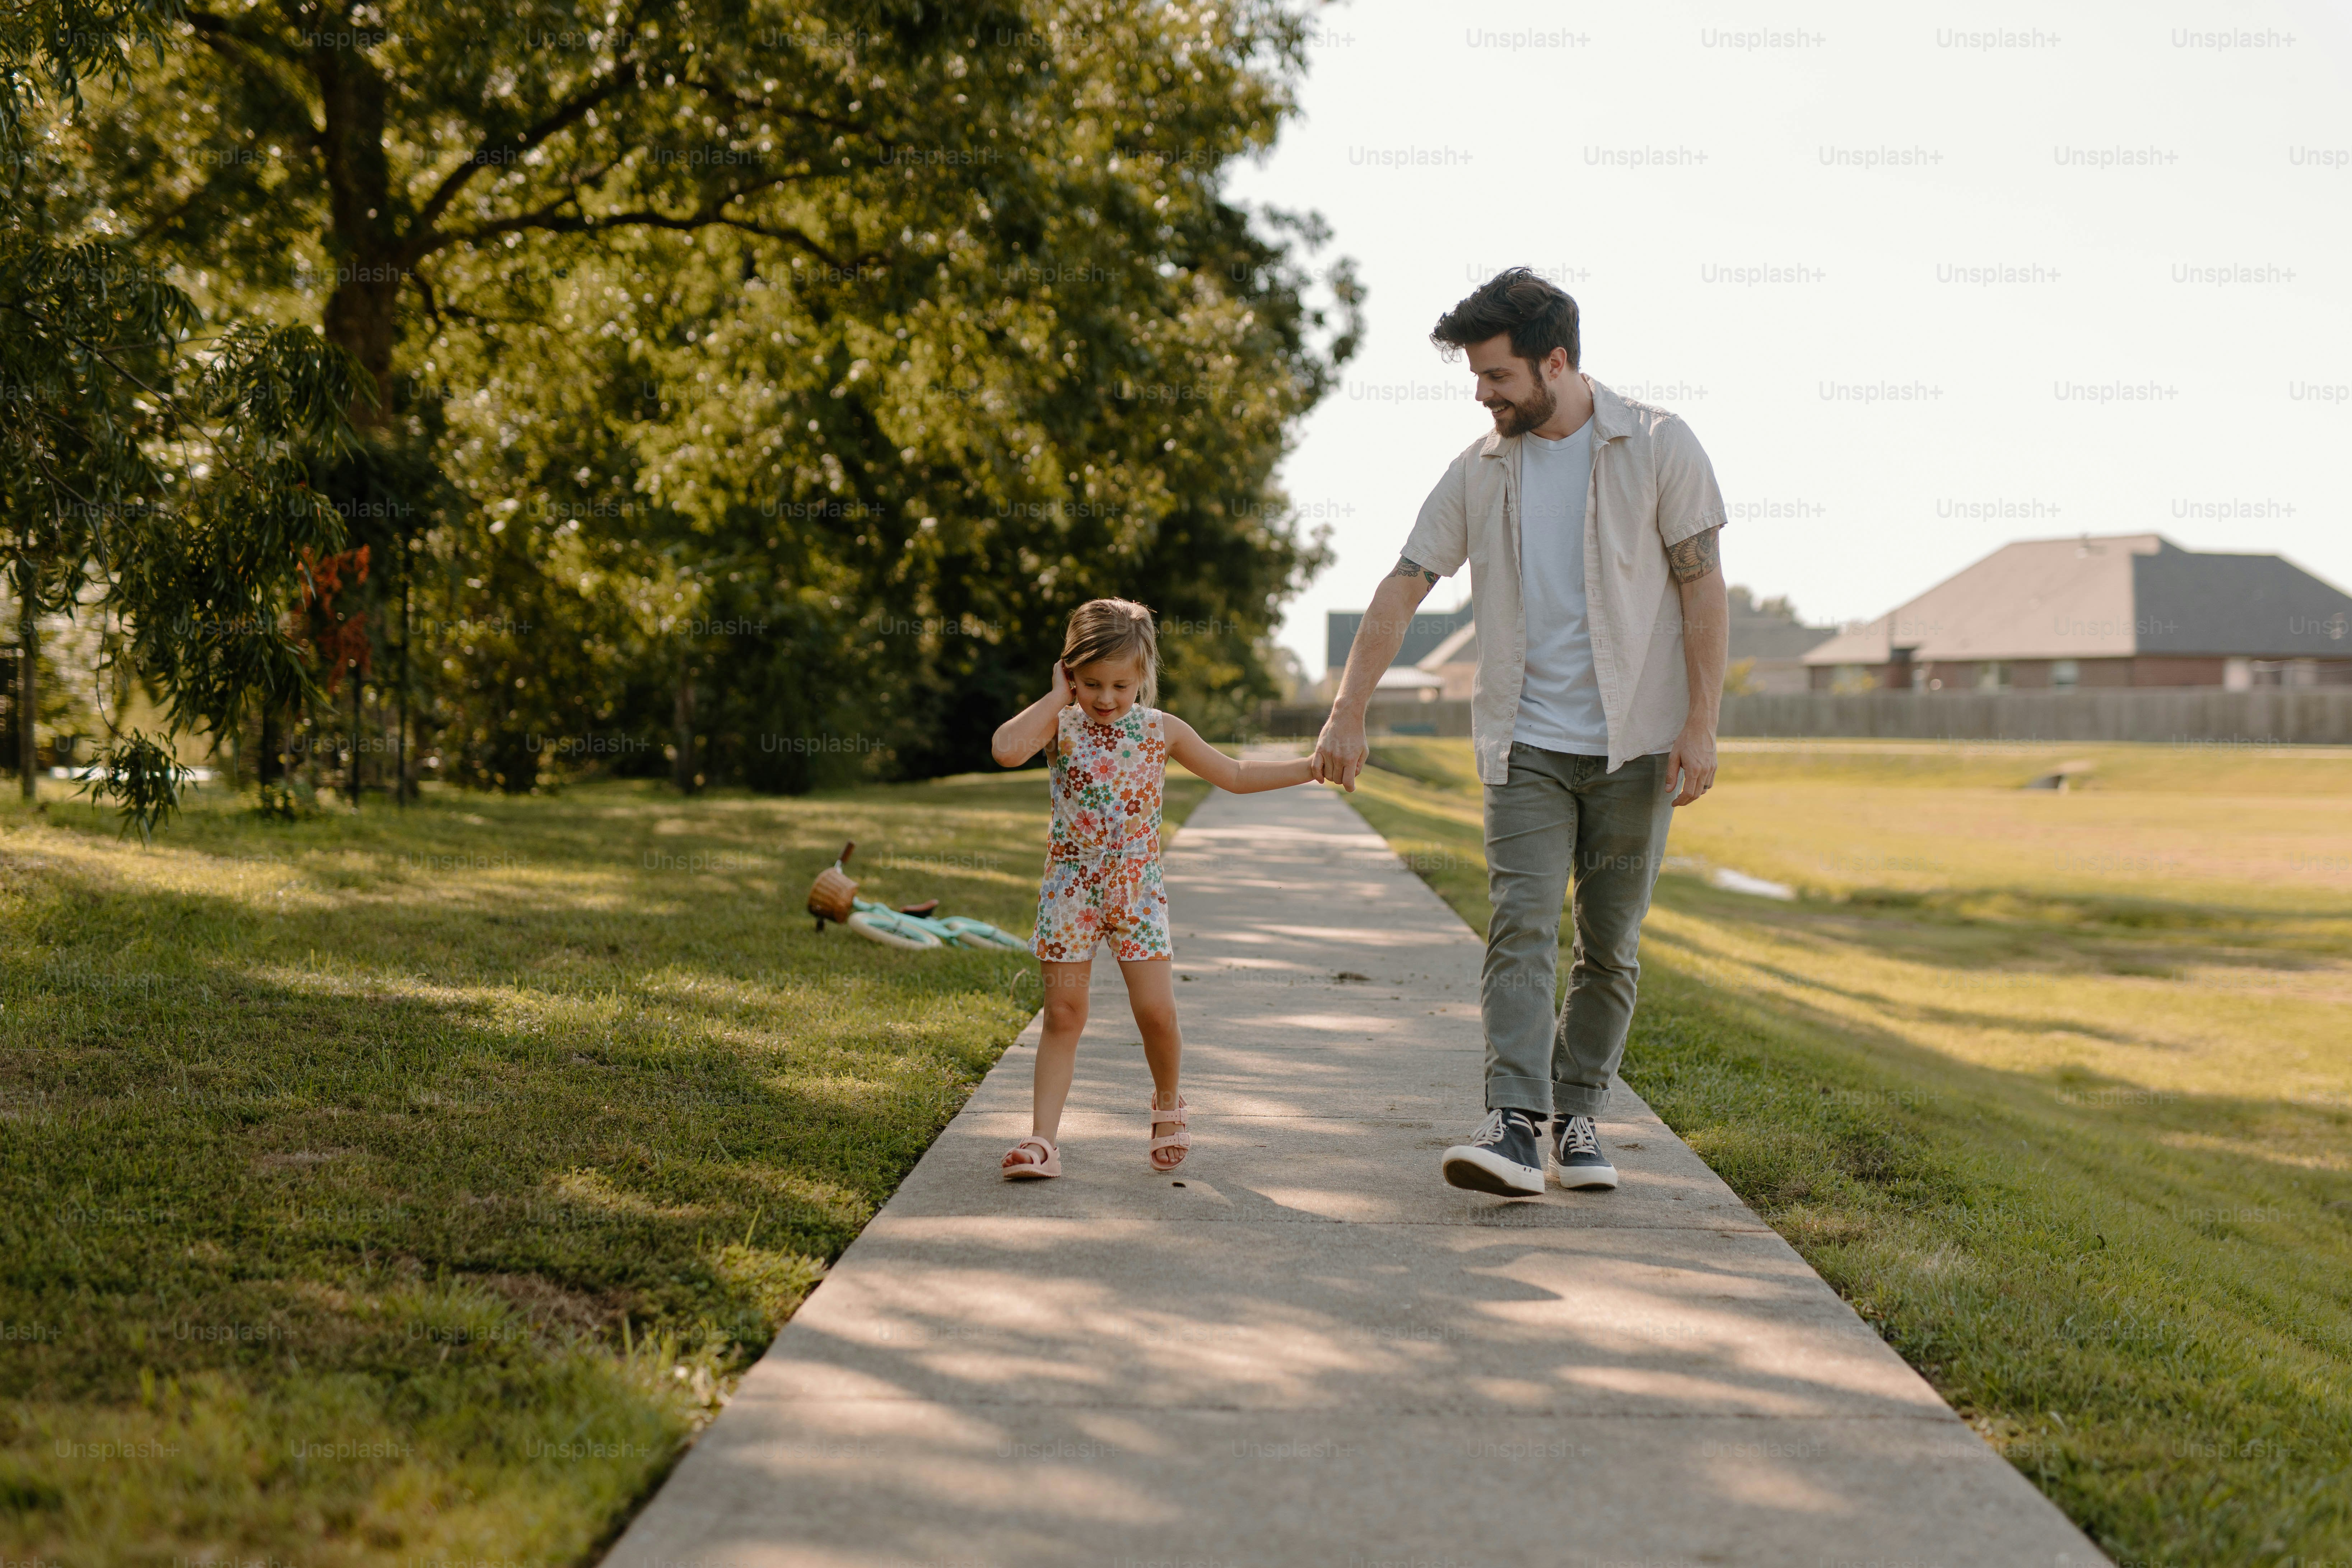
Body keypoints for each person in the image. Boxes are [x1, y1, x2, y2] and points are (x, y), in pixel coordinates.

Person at [1312, 268, 1729, 1199]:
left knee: (1610, 945)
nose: (1482, 393)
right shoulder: (1480, 469)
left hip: (1640, 744)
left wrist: (1702, 724)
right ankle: (1513, 1121)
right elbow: (1405, 580)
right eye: (1476, 376)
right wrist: (1349, 708)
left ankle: (1578, 1117)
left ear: (1556, 362)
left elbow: (1703, 585)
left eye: (1496, 376)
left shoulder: (1659, 445)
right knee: (1521, 925)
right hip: (1525, 745)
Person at [991, 598, 1316, 1180]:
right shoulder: (1058, 724)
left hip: (1137, 894)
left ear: (1143, 676)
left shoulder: (1159, 730)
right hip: (1070, 894)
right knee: (1063, 1015)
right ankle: (1043, 1141)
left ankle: (1168, 1104)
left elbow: (1236, 776)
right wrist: (1056, 697)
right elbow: (1005, 750)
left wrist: (1311, 766)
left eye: (1121, 683)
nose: (1106, 698)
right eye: (1091, 682)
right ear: (1069, 674)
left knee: (1157, 1014)